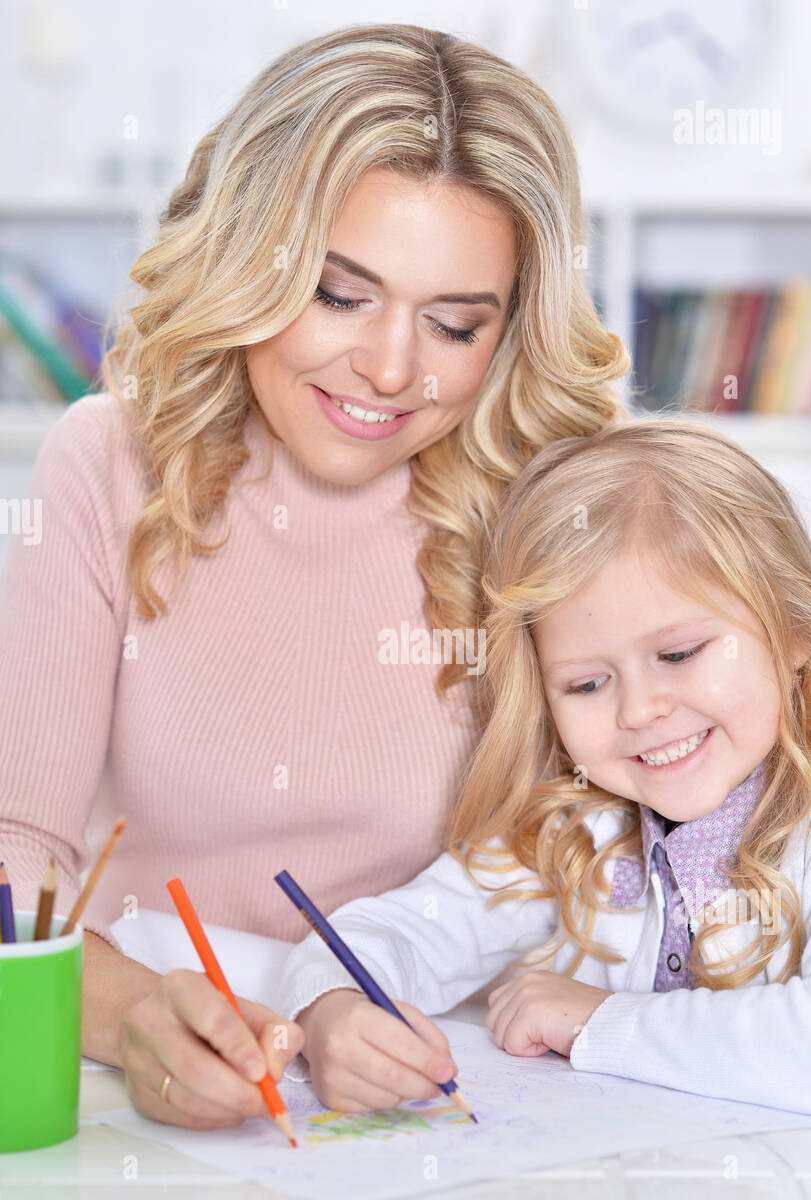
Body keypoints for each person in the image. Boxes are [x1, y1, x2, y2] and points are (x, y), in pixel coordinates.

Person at [0, 23, 627, 1131]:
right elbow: (17, 857)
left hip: (456, 1080)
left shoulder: (551, 503)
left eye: (453, 324)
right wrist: (134, 1015)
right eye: (339, 295)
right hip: (158, 1059)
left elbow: (648, 829)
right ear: (249, 262)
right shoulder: (109, 465)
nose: (389, 369)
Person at [283, 418, 811, 1122]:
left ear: (795, 635)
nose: (640, 709)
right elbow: (399, 933)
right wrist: (333, 1007)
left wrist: (597, 1019)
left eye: (679, 654)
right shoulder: (572, 829)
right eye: (587, 684)